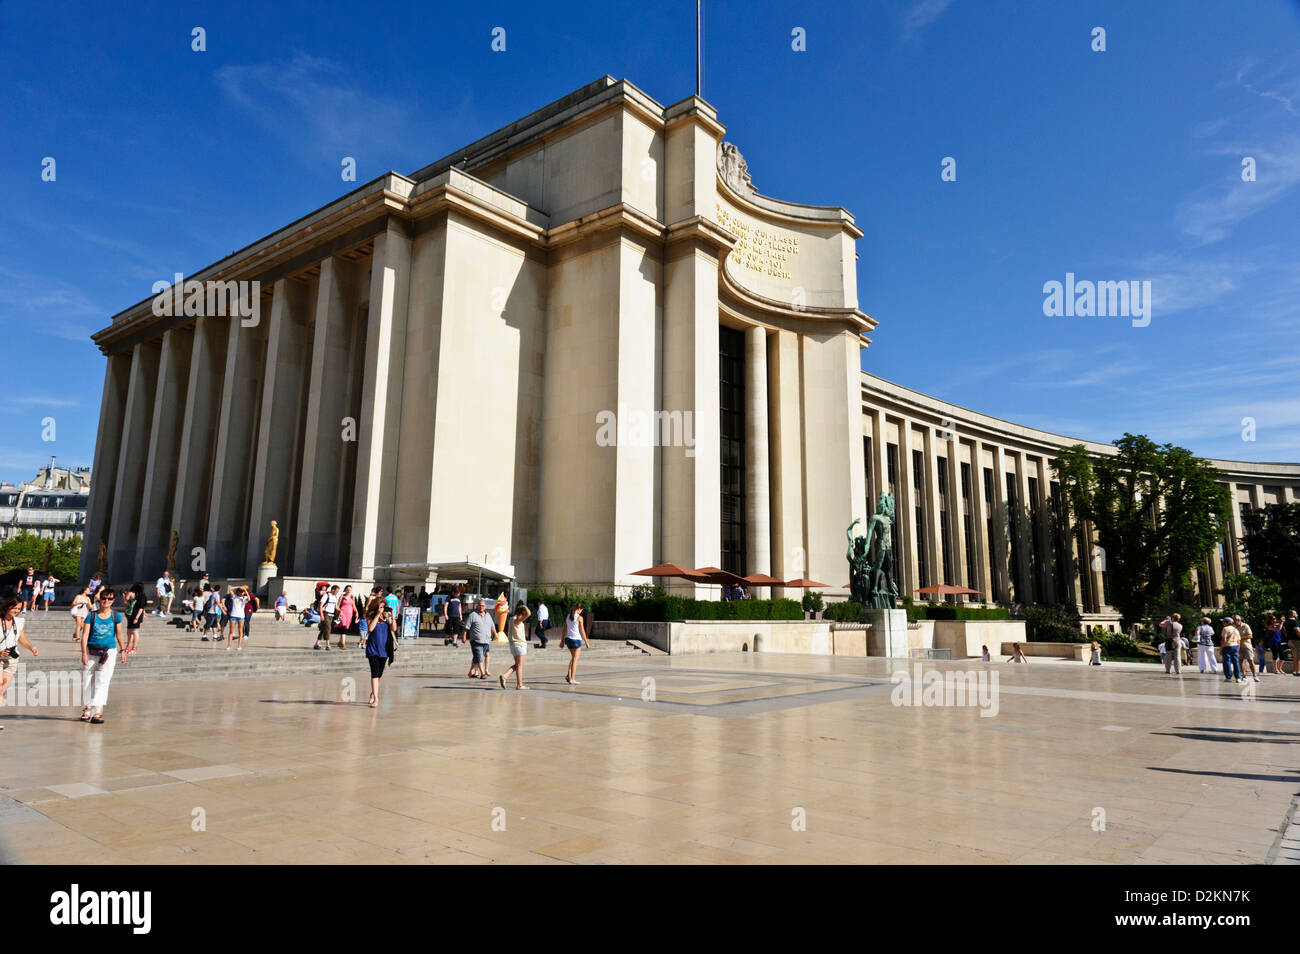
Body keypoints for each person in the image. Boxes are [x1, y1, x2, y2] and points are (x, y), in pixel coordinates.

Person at [81, 587, 124, 724]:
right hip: (92, 650)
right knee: (87, 679)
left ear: (113, 600)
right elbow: (85, 635)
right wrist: (83, 653)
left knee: (103, 681)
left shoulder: (116, 616)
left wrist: (123, 650)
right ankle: (87, 707)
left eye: (109, 598)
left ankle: (97, 711)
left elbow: (120, 634)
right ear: (100, 599)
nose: (106, 601)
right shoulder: (91, 615)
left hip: (109, 652)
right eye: (104, 598)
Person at [0, 596, 40, 728]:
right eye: (14, 608)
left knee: (2, 690)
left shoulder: (18, 621)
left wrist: (31, 647)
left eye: (19, 608)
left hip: (12, 659)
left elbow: (21, 638)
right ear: (7, 606)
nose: (16, 610)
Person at [364, 598, 396, 708]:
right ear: (376, 606)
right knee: (374, 673)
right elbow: (371, 629)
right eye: (380, 606)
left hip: (384, 649)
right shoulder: (370, 616)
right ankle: (376, 699)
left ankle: (373, 693)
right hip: (372, 649)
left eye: (383, 606)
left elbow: (394, 629)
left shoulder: (387, 617)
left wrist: (392, 615)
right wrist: (377, 615)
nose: (382, 609)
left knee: (379, 675)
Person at [500, 602, 532, 690]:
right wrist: (524, 606)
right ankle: (519, 684)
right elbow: (529, 613)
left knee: (517, 665)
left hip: (513, 645)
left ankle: (505, 676)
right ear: (522, 614)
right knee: (519, 666)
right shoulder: (517, 620)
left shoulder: (511, 619)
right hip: (520, 645)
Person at [465, 598, 494, 679]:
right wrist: (464, 637)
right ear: (477, 606)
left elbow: (492, 626)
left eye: (483, 606)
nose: (481, 607)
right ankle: (483, 673)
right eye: (480, 605)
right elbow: (466, 627)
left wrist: (495, 634)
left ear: (485, 607)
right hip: (476, 640)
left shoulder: (488, 615)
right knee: (480, 657)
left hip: (486, 640)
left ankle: (471, 673)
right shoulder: (472, 615)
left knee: (477, 657)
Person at [563, 601, 589, 685]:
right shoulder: (579, 618)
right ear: (579, 609)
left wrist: (562, 640)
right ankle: (572, 679)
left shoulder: (568, 616)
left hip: (568, 640)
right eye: (581, 609)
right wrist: (586, 641)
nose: (581, 611)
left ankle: (568, 675)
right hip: (576, 640)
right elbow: (582, 631)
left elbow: (564, 629)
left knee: (573, 658)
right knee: (575, 659)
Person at [124, 583, 146, 660]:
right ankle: (128, 646)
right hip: (131, 614)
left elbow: (141, 608)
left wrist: (137, 617)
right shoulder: (136, 596)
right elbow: (131, 605)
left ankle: (134, 648)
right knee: (129, 631)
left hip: (137, 615)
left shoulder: (142, 596)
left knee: (135, 631)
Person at [314, 584, 339, 650]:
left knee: (323, 629)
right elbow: (321, 605)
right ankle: (328, 645)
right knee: (328, 629)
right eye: (336, 591)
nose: (337, 592)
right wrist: (321, 615)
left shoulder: (335, 596)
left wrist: (340, 611)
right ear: (333, 590)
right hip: (326, 614)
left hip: (331, 615)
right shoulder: (326, 595)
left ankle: (317, 644)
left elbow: (336, 606)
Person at [1220, 618, 1243, 683]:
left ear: (1227, 622)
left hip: (1227, 646)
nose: (1223, 623)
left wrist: (1221, 648)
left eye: (1224, 622)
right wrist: (1238, 650)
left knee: (1227, 662)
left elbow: (1224, 639)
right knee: (1236, 662)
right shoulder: (1236, 629)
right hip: (1235, 646)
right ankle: (1238, 677)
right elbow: (1239, 641)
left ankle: (1228, 677)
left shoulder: (1225, 629)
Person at [227, 586, 248, 650]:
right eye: (241, 591)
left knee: (240, 631)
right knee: (231, 631)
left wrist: (245, 590)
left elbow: (249, 599)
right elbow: (230, 589)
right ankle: (229, 645)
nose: (242, 593)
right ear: (238, 592)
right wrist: (238, 587)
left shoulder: (244, 598)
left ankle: (239, 645)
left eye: (243, 592)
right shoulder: (234, 597)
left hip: (241, 616)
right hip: (233, 615)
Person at [336, 584, 356, 649]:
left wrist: (357, 613)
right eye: (347, 589)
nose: (349, 591)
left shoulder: (352, 597)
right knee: (343, 627)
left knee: (346, 627)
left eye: (350, 589)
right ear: (345, 590)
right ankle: (343, 644)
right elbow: (337, 606)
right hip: (342, 613)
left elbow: (354, 606)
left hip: (350, 614)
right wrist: (339, 611)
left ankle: (340, 642)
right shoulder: (342, 596)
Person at [1286, 610, 1300, 677]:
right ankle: (1298, 672)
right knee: (1298, 657)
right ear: (1293, 614)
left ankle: (1294, 671)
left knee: (1295, 657)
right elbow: (1297, 631)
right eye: (1296, 613)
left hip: (1290, 641)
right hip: (1296, 641)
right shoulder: (1294, 621)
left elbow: (1284, 632)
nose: (1297, 614)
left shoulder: (1286, 622)